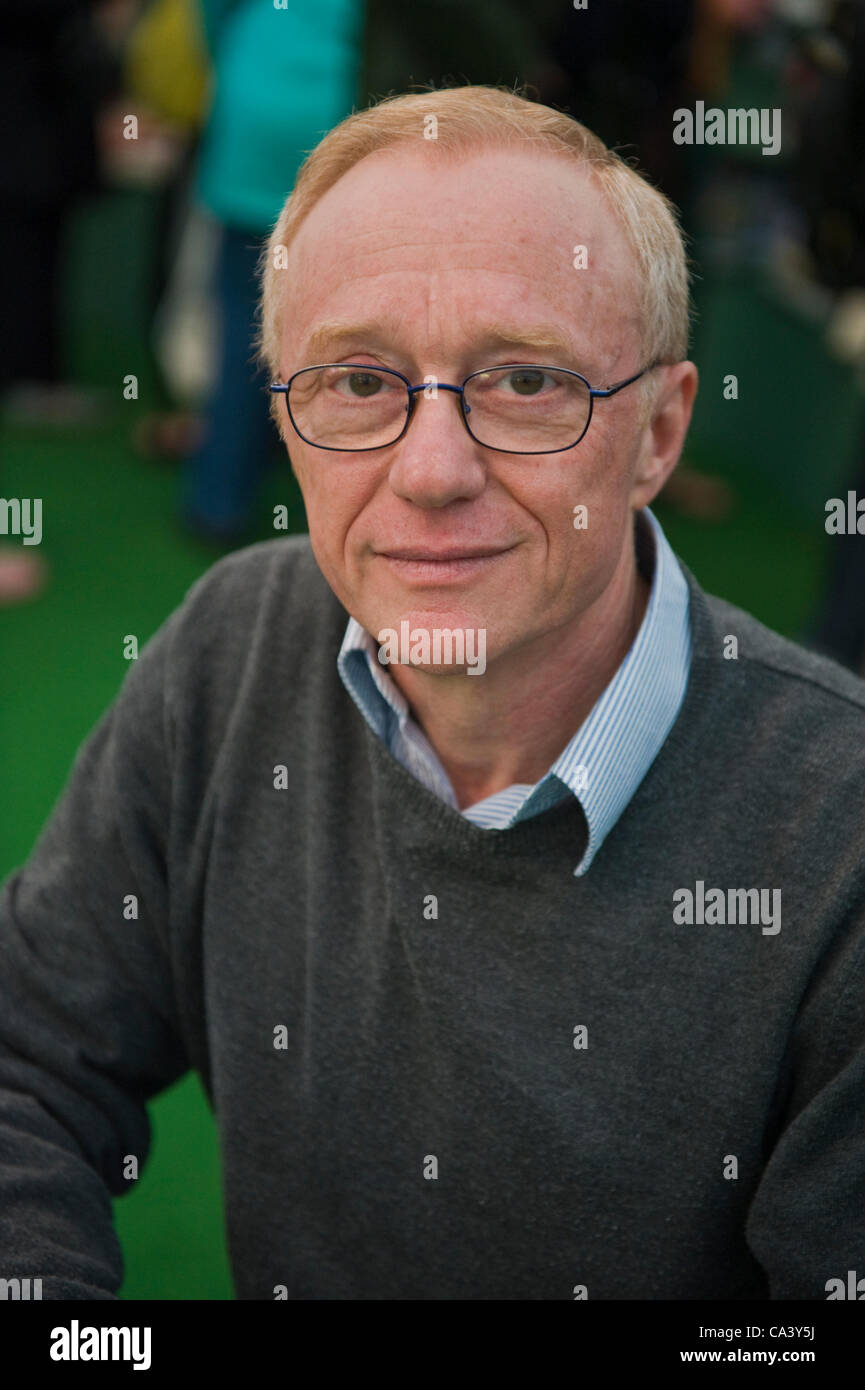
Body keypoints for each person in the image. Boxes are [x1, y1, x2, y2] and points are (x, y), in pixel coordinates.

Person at [1, 86, 864, 1301]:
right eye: (356, 381)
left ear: (660, 434)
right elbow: (26, 1058)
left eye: (524, 381)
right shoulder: (235, 645)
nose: (432, 470)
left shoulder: (838, 843)